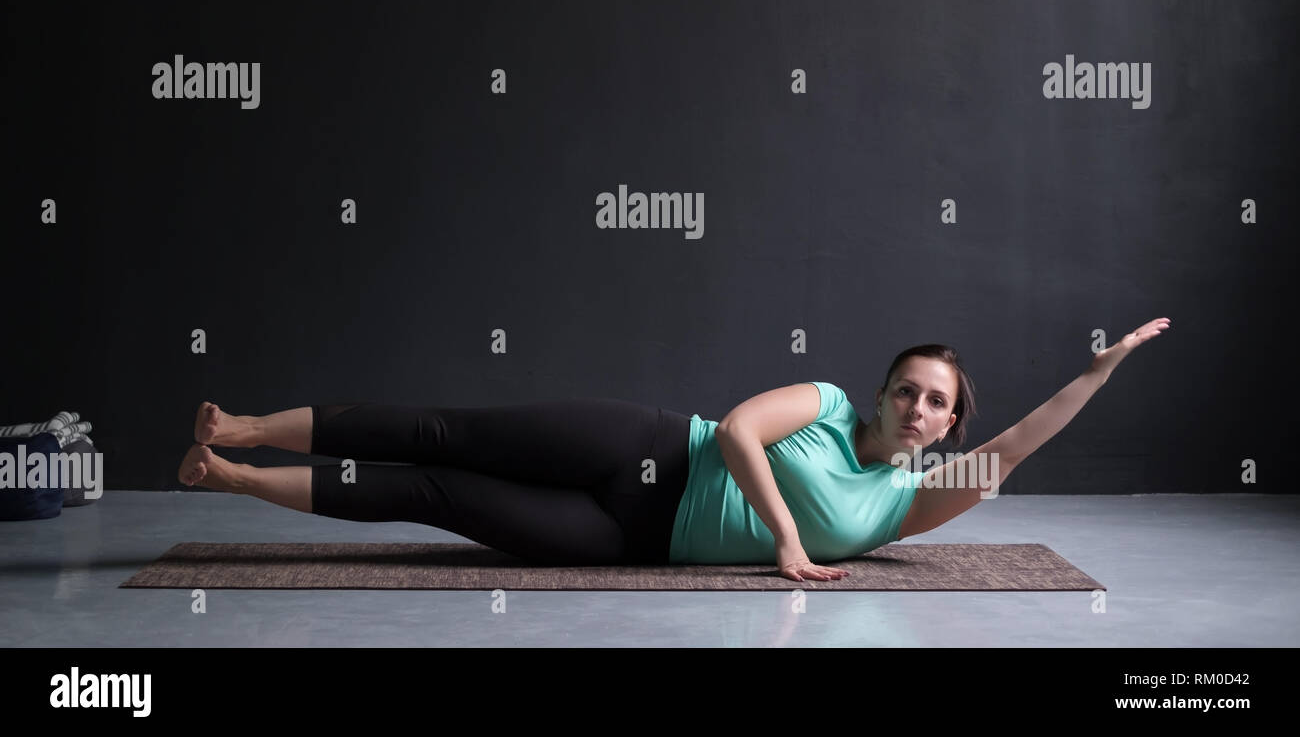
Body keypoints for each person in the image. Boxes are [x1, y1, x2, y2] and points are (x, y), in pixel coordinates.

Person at [177, 316, 1170, 582]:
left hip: (631, 536)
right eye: (906, 387)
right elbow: (738, 428)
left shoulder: (904, 504)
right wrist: (785, 537)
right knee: (452, 430)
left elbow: (1009, 452)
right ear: (878, 391)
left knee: (435, 493)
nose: (917, 406)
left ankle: (226, 475)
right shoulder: (824, 402)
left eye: (935, 402)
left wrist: (1096, 372)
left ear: (947, 424)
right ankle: (244, 425)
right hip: (647, 446)